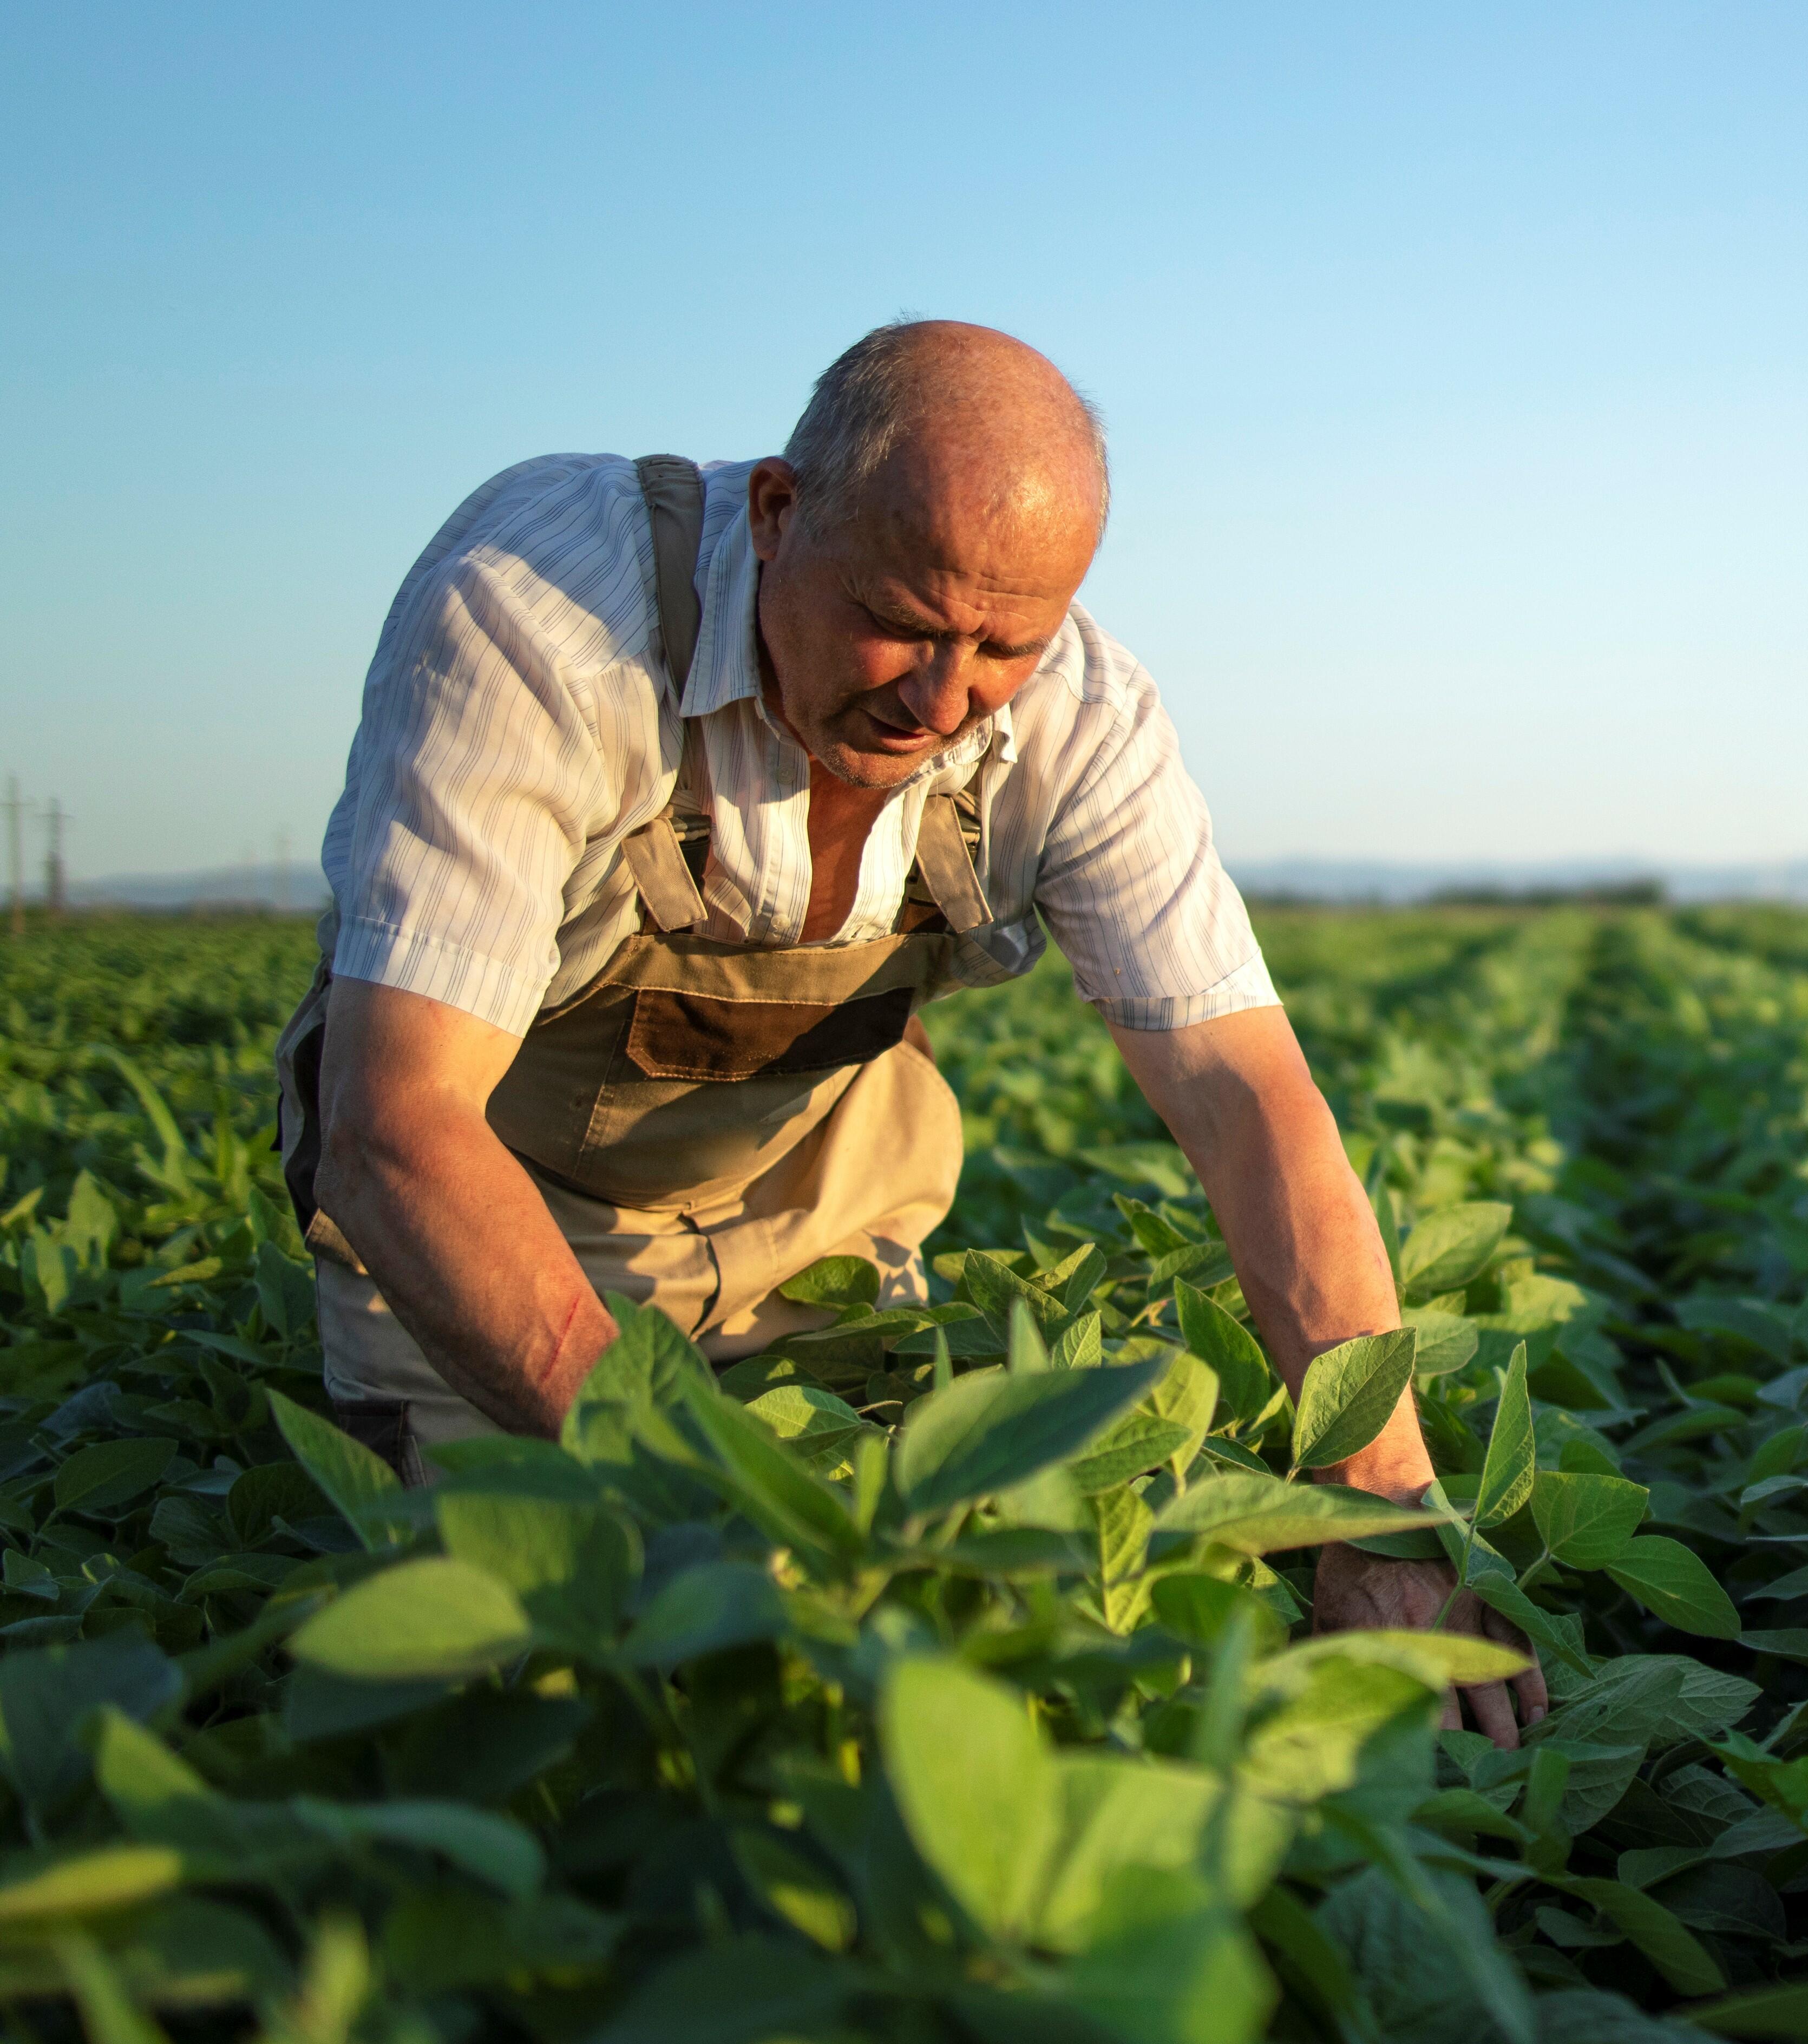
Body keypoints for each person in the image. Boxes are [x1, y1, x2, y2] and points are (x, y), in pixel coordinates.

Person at [274, 319, 1546, 1745]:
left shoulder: (1083, 719)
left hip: (817, 1214)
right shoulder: (540, 615)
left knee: (928, 1681)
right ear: (775, 512)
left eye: (1004, 643)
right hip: (492, 1227)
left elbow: (1247, 1102)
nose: (940, 700)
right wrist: (712, 1514)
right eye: (903, 617)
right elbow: (394, 1134)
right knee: (535, 1700)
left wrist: (1371, 1515)